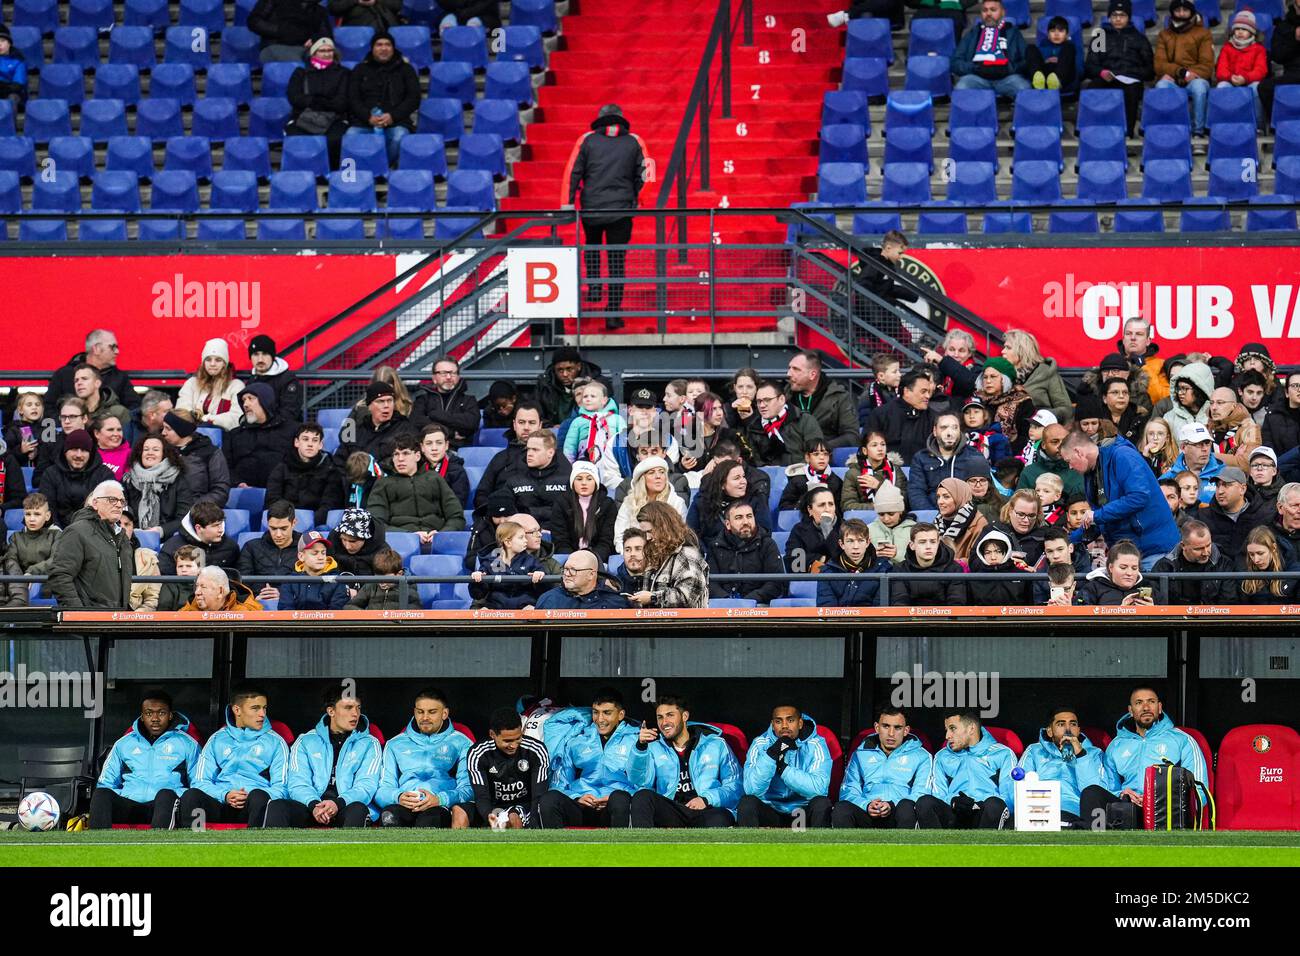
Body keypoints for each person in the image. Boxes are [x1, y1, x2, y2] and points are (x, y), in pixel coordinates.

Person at [1078, 685, 1208, 826]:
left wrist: (1158, 802)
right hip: (1129, 808)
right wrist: (1121, 793)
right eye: (1139, 703)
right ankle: (1097, 843)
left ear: (1159, 707)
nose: (1146, 707)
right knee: (1092, 792)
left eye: (1151, 702)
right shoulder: (1116, 745)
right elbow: (1109, 786)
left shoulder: (1182, 739)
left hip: (1167, 811)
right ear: (1131, 711)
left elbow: (1200, 789)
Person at [567, 105, 646, 326]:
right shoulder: (634, 141)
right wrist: (636, 199)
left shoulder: (587, 140)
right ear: (621, 120)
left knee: (591, 245)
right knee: (616, 259)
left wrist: (568, 202)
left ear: (600, 119)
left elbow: (573, 171)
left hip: (591, 207)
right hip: (621, 210)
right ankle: (612, 312)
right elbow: (647, 173)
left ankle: (593, 287)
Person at [265, 683, 381, 829]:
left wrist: (337, 804)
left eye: (358, 708)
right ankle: (273, 852)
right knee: (277, 806)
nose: (355, 714)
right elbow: (297, 783)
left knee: (358, 809)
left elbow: (366, 786)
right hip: (311, 807)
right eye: (348, 708)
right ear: (331, 711)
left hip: (346, 806)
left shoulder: (370, 743)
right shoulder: (305, 741)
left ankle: (347, 852)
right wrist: (314, 805)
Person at [1063, 429, 1180, 568]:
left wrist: (1097, 515)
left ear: (1078, 452)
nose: (1069, 466)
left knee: (1154, 590)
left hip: (1153, 551)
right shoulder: (1091, 472)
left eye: (1069, 461)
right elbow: (1098, 519)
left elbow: (1138, 497)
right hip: (1126, 553)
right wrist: (1066, 542)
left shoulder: (1122, 455)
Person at [180, 683, 288, 828]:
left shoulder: (276, 742)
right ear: (237, 710)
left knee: (259, 797)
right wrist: (225, 795)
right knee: (192, 795)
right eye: (255, 708)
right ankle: (193, 843)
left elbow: (282, 788)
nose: (262, 714)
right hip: (220, 803)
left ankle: (255, 846)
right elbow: (199, 782)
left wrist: (248, 796)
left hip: (253, 806)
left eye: (264, 708)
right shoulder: (217, 739)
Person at [90, 690, 199, 830]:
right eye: (149, 713)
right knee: (101, 794)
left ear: (170, 715)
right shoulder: (124, 744)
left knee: (165, 795)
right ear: (142, 717)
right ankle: (98, 847)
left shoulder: (187, 743)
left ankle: (157, 848)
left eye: (161, 713)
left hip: (166, 805)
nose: (155, 718)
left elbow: (198, 784)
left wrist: (179, 795)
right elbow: (106, 783)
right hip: (129, 804)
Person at [628, 695, 741, 828]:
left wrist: (706, 799)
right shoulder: (653, 747)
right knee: (643, 796)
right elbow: (639, 781)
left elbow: (736, 787)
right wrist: (640, 747)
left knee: (720, 818)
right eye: (660, 717)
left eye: (670, 715)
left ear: (684, 716)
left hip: (707, 810)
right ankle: (643, 847)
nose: (664, 722)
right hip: (673, 811)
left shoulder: (716, 745)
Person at [538, 689, 638, 828]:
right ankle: (555, 850)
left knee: (620, 800)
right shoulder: (578, 739)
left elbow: (645, 786)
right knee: (549, 799)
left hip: (614, 808)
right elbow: (559, 784)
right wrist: (576, 797)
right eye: (595, 712)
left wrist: (613, 798)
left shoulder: (636, 740)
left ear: (620, 715)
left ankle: (619, 849)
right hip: (582, 807)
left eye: (607, 713)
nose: (600, 719)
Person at [377, 687, 474, 827]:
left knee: (430, 820)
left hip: (439, 805)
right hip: (405, 804)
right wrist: (397, 797)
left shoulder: (462, 743)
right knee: (389, 816)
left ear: (445, 713)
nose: (425, 718)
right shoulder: (394, 744)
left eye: (432, 712)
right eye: (420, 712)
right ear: (414, 712)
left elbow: (469, 789)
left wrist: (440, 799)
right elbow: (382, 789)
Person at [916, 709, 1016, 829]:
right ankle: (938, 847)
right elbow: (938, 795)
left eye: (953, 728)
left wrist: (980, 803)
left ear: (971, 728)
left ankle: (984, 847)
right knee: (925, 802)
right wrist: (953, 801)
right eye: (946, 730)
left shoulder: (1003, 753)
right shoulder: (942, 756)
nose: (947, 736)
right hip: (953, 814)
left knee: (994, 805)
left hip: (985, 813)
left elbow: (1010, 797)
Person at [738, 703, 832, 828]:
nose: (784, 726)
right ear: (772, 724)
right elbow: (752, 789)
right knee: (747, 802)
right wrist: (772, 754)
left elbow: (819, 788)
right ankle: (749, 848)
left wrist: (784, 769)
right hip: (771, 811)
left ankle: (818, 848)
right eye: (778, 721)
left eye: (790, 720)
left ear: (800, 723)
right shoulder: (759, 744)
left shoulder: (816, 744)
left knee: (822, 803)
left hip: (801, 814)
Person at [833, 707, 930, 829]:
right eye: (886, 726)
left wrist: (891, 804)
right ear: (877, 728)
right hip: (867, 811)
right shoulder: (860, 753)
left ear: (906, 730)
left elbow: (922, 793)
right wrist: (867, 805)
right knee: (841, 808)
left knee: (906, 807)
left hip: (900, 813)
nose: (891, 733)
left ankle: (904, 848)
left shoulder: (921, 755)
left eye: (897, 728)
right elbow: (848, 791)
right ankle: (847, 848)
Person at [459, 707, 550, 830]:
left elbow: (539, 796)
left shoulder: (536, 750)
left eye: (518, 738)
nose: (513, 745)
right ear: (492, 735)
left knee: (513, 818)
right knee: (459, 811)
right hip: (492, 806)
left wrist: (532, 826)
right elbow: (481, 796)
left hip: (524, 806)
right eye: (507, 741)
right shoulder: (478, 753)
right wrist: (492, 816)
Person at [366, 432, 465, 541]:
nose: (400, 459)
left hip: (437, 539)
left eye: (405, 453)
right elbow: (376, 523)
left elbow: (456, 516)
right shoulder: (383, 484)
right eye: (396, 454)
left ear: (417, 456)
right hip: (401, 542)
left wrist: (441, 535)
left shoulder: (435, 479)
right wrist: (410, 536)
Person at [1016, 709, 1102, 826]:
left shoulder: (1094, 753)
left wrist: (1080, 755)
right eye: (1061, 724)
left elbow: (1096, 792)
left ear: (1078, 730)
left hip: (1076, 813)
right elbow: (1016, 785)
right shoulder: (1034, 750)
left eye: (1073, 724)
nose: (1068, 729)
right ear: (1050, 731)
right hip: (1038, 811)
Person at [345, 29, 420, 161]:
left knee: (399, 136)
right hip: (364, 122)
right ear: (372, 48)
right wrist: (368, 117)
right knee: (351, 135)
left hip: (396, 122)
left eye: (388, 44)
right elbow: (352, 98)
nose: (384, 48)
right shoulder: (360, 69)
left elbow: (413, 98)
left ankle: (382, 166)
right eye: (379, 45)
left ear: (393, 48)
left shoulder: (406, 69)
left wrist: (393, 116)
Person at [1084, 0, 1155, 136]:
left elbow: (1149, 71)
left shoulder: (1140, 39)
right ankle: (1092, 131)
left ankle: (1127, 134)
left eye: (1122, 15)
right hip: (1107, 78)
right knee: (1093, 87)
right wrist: (1101, 72)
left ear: (1128, 17)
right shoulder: (1100, 37)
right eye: (1114, 15)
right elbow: (1090, 66)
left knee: (1132, 90)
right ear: (1109, 17)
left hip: (1130, 80)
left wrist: (1129, 73)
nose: (1117, 19)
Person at [283, 36, 350, 168]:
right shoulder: (301, 73)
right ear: (313, 53)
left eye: (329, 50)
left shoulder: (344, 73)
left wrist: (314, 100)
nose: (326, 54)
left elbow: (342, 102)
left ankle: (330, 174)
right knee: (297, 139)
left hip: (335, 118)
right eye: (322, 51)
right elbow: (295, 98)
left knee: (335, 139)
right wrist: (322, 101)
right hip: (303, 117)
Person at [627, 500, 709, 608]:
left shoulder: (688, 557)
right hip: (656, 623)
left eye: (650, 531)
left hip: (684, 624)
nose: (647, 537)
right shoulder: (656, 554)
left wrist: (653, 598)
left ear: (664, 527)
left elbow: (687, 597)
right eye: (644, 533)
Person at [1155, 0, 1215, 142]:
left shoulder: (1203, 34)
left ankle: (1198, 132)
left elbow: (1207, 65)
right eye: (1177, 10)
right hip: (1174, 79)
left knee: (1199, 87)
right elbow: (1159, 64)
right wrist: (1180, 73)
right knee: (1161, 86)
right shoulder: (1164, 35)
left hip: (1196, 79)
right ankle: (1169, 130)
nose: (1181, 14)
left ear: (1192, 12)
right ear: (1172, 13)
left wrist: (1188, 75)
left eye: (1185, 10)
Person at [266, 423, 346, 526]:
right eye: (305, 439)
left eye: (315, 440)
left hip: (316, 525)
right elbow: (273, 499)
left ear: (320, 445)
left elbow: (330, 505)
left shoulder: (331, 470)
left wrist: (309, 523)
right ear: (296, 442)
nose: (310, 444)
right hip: (285, 524)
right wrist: (288, 521)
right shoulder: (282, 468)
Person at [707, 499, 786, 604]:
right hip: (723, 607)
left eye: (749, 516)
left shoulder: (767, 544)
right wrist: (726, 600)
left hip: (759, 606)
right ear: (728, 524)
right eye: (739, 518)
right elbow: (710, 583)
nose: (746, 522)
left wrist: (749, 601)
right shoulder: (715, 546)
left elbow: (776, 583)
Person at [908, 413, 989, 511]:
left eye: (954, 428)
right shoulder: (921, 458)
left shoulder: (974, 456)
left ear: (960, 431)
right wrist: (931, 517)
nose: (949, 433)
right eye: (944, 427)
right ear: (935, 431)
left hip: (967, 514)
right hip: (931, 516)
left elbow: (983, 491)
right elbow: (916, 492)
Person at [47, 329, 138, 414]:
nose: (117, 351)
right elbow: (49, 408)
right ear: (96, 349)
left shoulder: (120, 378)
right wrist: (67, 423)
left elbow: (134, 407)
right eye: (113, 347)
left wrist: (113, 422)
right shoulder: (64, 375)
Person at [472, 403, 544, 510]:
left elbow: (561, 498)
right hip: (502, 520)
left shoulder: (553, 457)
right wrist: (497, 513)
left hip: (540, 522)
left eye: (532, 423)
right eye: (521, 422)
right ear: (514, 425)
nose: (526, 427)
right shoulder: (500, 458)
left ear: (540, 425)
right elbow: (481, 495)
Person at [951, 0, 1030, 97]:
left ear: (1002, 12)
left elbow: (1026, 59)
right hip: (977, 78)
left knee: (1024, 89)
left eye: (993, 10)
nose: (988, 13)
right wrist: (974, 68)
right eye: (985, 10)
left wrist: (1009, 68)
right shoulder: (973, 33)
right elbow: (956, 61)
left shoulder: (1013, 32)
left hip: (1006, 78)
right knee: (961, 87)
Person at [38, 429, 116, 528]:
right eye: (74, 449)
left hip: (95, 532)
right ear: (65, 452)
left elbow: (110, 508)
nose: (79, 455)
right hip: (58, 533)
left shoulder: (104, 474)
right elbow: (48, 508)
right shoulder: (51, 474)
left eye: (84, 450)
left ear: (90, 453)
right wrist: (57, 532)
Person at [224, 385, 296, 490]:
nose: (245, 404)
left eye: (250, 399)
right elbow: (225, 467)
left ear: (266, 401)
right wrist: (237, 483)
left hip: (281, 493)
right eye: (243, 400)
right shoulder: (235, 434)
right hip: (242, 494)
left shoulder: (292, 430)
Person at [122, 434, 193, 540]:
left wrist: (161, 530)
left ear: (164, 454)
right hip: (133, 537)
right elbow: (122, 514)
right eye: (146, 449)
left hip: (169, 539)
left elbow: (185, 517)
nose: (150, 453)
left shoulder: (178, 480)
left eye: (155, 450)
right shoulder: (128, 480)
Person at [743, 380, 825, 467]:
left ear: (781, 399)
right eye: (759, 401)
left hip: (802, 474)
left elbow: (816, 455)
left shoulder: (804, 420)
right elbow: (754, 461)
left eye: (767, 400)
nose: (762, 405)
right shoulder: (753, 427)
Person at [785, 350, 858, 450]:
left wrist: (821, 448)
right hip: (790, 459)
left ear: (812, 375)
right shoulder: (784, 396)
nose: (788, 374)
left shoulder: (839, 397)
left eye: (796, 369)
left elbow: (852, 436)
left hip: (824, 459)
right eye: (789, 368)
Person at [562, 378, 627, 489]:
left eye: (593, 396)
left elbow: (624, 444)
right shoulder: (578, 421)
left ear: (604, 400)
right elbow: (569, 448)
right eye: (585, 396)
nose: (588, 399)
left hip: (612, 465)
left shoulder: (617, 419)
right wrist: (570, 469)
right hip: (585, 467)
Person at [503, 432, 572, 535]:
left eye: (535, 450)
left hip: (560, 535)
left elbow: (570, 512)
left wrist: (530, 513)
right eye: (528, 449)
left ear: (550, 453)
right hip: (522, 535)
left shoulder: (567, 480)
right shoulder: (514, 480)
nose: (529, 453)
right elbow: (507, 510)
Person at [1150, 519, 1234, 603]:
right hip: (1174, 615)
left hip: (1214, 615)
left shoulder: (1224, 564)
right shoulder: (1165, 567)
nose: (1205, 552)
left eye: (1208, 545)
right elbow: (1156, 601)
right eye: (1198, 549)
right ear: (1183, 546)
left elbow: (1229, 603)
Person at [468, 520, 547, 609]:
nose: (526, 540)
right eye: (521, 537)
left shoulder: (531, 561)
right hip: (496, 610)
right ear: (508, 542)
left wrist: (540, 576)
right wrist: (477, 581)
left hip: (524, 609)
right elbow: (477, 594)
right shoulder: (489, 562)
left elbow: (544, 590)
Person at [862, 368, 936, 462]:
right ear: (907, 391)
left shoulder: (933, 418)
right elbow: (868, 447)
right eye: (923, 391)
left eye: (929, 392)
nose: (928, 396)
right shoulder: (880, 415)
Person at [613, 455, 686, 551]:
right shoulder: (629, 503)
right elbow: (619, 537)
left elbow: (680, 536)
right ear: (642, 479)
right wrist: (628, 554)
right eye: (652, 473)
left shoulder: (677, 502)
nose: (658, 476)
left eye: (662, 472)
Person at [2, 493, 62, 608]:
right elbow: (11, 561)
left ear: (47, 516)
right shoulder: (16, 537)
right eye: (28, 514)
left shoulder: (56, 535)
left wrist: (31, 572)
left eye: (37, 514)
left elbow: (56, 560)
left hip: (49, 584)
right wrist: (21, 580)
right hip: (20, 585)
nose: (32, 519)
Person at [690, 458, 772, 542]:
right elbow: (691, 534)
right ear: (722, 484)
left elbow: (765, 532)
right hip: (713, 552)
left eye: (743, 476)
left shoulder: (756, 498)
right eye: (737, 478)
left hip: (749, 550)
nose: (743, 481)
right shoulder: (703, 501)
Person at [551, 461, 618, 562]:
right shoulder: (561, 503)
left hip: (598, 560)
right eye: (579, 479)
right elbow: (560, 540)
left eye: (589, 479)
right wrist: (573, 560)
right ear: (572, 482)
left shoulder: (608, 504)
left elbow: (606, 541)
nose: (584, 483)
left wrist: (592, 560)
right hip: (569, 560)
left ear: (596, 482)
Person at [1000, 329, 1071, 423]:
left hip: (1040, 430)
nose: (1002, 351)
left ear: (1022, 350)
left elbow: (1065, 409)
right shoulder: (1000, 374)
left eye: (1008, 348)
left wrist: (1041, 416)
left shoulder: (1046, 372)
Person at [1199, 465, 1271, 558]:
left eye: (1226, 485)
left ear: (1242, 489)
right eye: (1217, 486)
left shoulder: (1263, 515)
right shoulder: (1203, 517)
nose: (1220, 491)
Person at [817, 518, 891, 607]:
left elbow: (879, 610)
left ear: (868, 542)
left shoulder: (883, 569)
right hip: (839, 620)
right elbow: (827, 609)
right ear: (841, 544)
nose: (856, 546)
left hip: (869, 620)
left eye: (861, 540)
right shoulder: (827, 571)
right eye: (850, 541)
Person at [161, 411, 231, 507]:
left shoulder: (210, 452)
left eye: (168, 429)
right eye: (163, 428)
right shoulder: (161, 451)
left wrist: (193, 507)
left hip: (197, 513)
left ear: (182, 430)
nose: (163, 433)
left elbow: (220, 491)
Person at [238, 499, 300, 604]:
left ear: (294, 523)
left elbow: (309, 585)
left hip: (293, 606)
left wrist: (284, 594)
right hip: (256, 604)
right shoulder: (251, 547)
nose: (278, 534)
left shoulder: (305, 548)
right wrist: (256, 596)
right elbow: (242, 584)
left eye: (283, 528)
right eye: (273, 528)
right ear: (267, 524)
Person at [175, 339, 245, 431]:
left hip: (224, 438)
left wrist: (206, 419)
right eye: (208, 359)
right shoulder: (192, 383)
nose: (212, 364)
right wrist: (193, 415)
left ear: (225, 363)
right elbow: (181, 411)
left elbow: (237, 417)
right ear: (203, 363)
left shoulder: (236, 386)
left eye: (218, 360)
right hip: (192, 436)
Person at [412, 355, 480, 449]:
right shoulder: (423, 400)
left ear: (458, 376)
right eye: (443, 373)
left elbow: (472, 423)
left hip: (458, 452)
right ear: (434, 378)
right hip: (427, 452)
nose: (448, 377)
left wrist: (435, 415)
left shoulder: (469, 400)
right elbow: (416, 422)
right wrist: (450, 432)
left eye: (452, 373)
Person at [1216, 10, 1268, 128]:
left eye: (1244, 29)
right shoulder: (1227, 48)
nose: (1240, 32)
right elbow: (1221, 70)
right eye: (1237, 29)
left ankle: (1258, 125)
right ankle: (1225, 122)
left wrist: (1245, 78)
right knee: (1221, 86)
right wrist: (1230, 77)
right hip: (1231, 80)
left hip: (1249, 81)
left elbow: (1261, 70)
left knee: (1256, 87)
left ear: (1251, 32)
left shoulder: (1259, 49)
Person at [892, 522, 966, 606]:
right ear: (912, 545)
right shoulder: (900, 569)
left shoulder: (955, 569)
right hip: (911, 618)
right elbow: (900, 602)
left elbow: (956, 603)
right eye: (922, 542)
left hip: (945, 618)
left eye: (933, 542)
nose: (928, 546)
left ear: (938, 543)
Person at [159, 500, 239, 574]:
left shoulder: (231, 547)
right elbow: (167, 582)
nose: (221, 530)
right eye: (215, 526)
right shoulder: (172, 548)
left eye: (221, 524)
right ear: (198, 528)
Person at [534, 549, 630, 609]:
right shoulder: (548, 600)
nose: (567, 574)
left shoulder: (616, 603)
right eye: (565, 569)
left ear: (591, 574)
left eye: (573, 570)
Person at [279, 530, 349, 610]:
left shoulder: (338, 581)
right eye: (315, 553)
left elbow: (336, 616)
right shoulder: (289, 582)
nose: (321, 557)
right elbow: (286, 613)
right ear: (301, 556)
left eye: (323, 553)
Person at [535, 349, 602, 430]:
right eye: (560, 370)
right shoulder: (544, 385)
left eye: (569, 369)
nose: (565, 374)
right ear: (554, 369)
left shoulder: (597, 384)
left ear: (579, 366)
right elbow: (536, 413)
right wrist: (550, 426)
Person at [842, 429, 908, 511]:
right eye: (874, 445)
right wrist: (877, 507)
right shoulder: (853, 473)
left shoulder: (896, 470)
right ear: (865, 451)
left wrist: (879, 486)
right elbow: (847, 505)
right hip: (864, 519)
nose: (880, 449)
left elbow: (903, 499)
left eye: (883, 444)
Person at [783, 485, 843, 573]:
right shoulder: (799, 530)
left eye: (831, 504)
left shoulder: (846, 527)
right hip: (808, 581)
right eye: (821, 505)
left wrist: (828, 530)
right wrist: (821, 558)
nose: (827, 509)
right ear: (810, 510)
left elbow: (846, 559)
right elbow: (792, 562)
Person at [248, 0, 333, 62]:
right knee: (297, 64)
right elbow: (254, 21)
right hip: (276, 46)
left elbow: (326, 35)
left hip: (306, 49)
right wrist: (281, 30)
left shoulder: (318, 9)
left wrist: (315, 39)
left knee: (329, 58)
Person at [1078, 539, 1156, 605]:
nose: (1129, 573)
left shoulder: (1150, 588)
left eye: (1134, 568)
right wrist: (1121, 611)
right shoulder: (1092, 588)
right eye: (1123, 567)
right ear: (1111, 567)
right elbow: (1080, 620)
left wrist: (1153, 612)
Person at [1161, 422, 1224, 503]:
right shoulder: (1168, 479)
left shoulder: (1224, 474)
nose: (1205, 449)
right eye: (1198, 444)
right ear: (1183, 447)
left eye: (1207, 443)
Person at [934, 476, 988, 561]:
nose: (940, 502)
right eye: (938, 496)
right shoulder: (937, 522)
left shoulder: (979, 523)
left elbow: (978, 561)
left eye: (946, 497)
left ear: (960, 497)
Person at [1238, 526, 1295, 603]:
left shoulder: (1292, 568)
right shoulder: (1243, 568)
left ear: (1274, 548)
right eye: (1251, 554)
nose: (1256, 560)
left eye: (1260, 553)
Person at [73, 364, 131, 434]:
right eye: (76, 380)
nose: (79, 383)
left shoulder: (118, 412)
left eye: (84, 379)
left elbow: (127, 442)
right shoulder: (71, 413)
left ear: (97, 383)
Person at [1163, 360, 1216, 435]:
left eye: (1185, 388)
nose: (1180, 393)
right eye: (1178, 388)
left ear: (1199, 389)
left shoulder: (1216, 415)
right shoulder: (1169, 418)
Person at [867, 482, 915, 563]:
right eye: (881, 514)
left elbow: (920, 560)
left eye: (891, 514)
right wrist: (873, 556)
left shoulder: (914, 530)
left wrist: (897, 555)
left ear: (900, 511)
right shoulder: (868, 529)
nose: (886, 519)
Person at [1028, 15, 1078, 92]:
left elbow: (1079, 69)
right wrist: (1046, 61)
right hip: (1044, 76)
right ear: (1048, 35)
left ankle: (1057, 80)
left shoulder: (1070, 47)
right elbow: (1036, 62)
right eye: (1052, 31)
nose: (1056, 34)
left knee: (1069, 47)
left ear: (1067, 35)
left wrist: (1060, 61)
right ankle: (1037, 80)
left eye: (1061, 31)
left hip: (1064, 78)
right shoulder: (1042, 46)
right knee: (1031, 48)